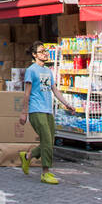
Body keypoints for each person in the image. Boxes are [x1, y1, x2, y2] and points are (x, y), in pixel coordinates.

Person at [19, 42, 72, 185]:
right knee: (47, 141)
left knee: (49, 142)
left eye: (45, 51)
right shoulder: (31, 70)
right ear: (34, 55)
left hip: (48, 110)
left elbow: (55, 90)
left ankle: (28, 156)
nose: (45, 53)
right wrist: (24, 112)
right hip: (36, 110)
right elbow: (27, 93)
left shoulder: (48, 71)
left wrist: (67, 104)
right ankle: (45, 173)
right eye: (41, 51)